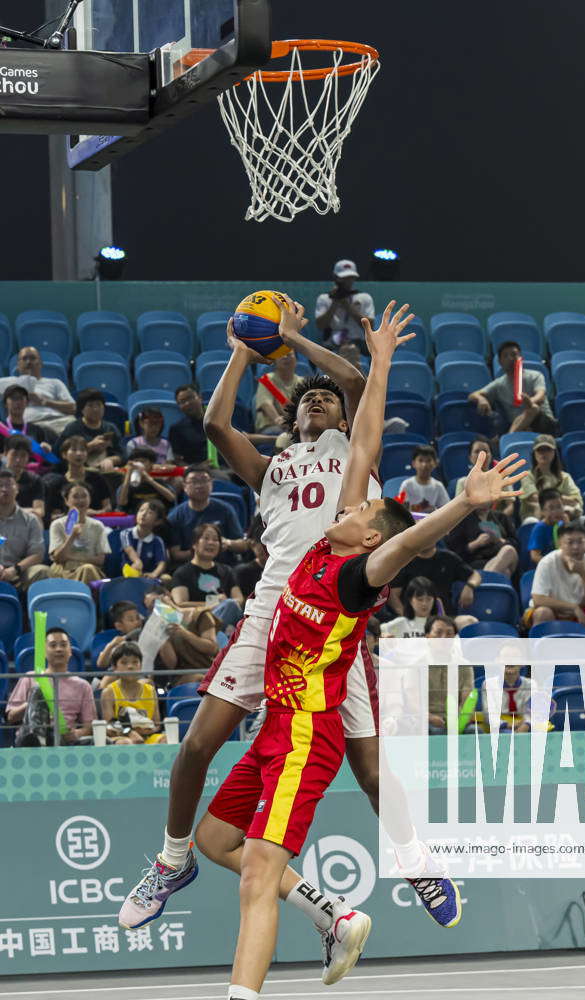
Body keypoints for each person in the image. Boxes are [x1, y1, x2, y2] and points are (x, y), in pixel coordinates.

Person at [118, 299, 461, 976]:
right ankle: (173, 857)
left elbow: (361, 386)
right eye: (310, 403)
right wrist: (246, 351)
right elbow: (216, 421)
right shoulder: (270, 467)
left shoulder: (353, 466)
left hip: (339, 613)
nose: (321, 406)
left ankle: (416, 860)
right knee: (196, 744)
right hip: (275, 605)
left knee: (367, 768)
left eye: (329, 403)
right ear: (291, 416)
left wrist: (294, 337)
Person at [193, 315, 524, 1000]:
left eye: (365, 503)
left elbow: (401, 533)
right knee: (213, 839)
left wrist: (461, 502)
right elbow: (350, 432)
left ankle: (413, 861)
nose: (354, 499)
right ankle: (331, 916)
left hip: (313, 707)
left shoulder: (354, 569)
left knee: (292, 839)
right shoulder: (316, 537)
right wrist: (374, 362)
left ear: (366, 528)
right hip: (277, 691)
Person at [7, 628, 95, 745]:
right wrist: (32, 704)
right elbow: (11, 716)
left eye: (63, 645)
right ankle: (38, 738)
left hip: (62, 739)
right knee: (38, 692)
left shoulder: (82, 686)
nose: (59, 649)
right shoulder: (29, 678)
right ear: (43, 651)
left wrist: (77, 733)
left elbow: (90, 725)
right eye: (53, 645)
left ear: (70, 651)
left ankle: (43, 740)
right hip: (29, 740)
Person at [529, 522, 585, 632]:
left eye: (580, 542)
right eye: (570, 542)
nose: (576, 547)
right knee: (542, 613)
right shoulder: (547, 563)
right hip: (555, 609)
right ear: (559, 544)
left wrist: (583, 573)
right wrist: (573, 607)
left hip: (583, 610)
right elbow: (538, 599)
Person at [28, 481, 109, 585]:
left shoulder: (98, 526)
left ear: (90, 499)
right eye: (75, 497)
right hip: (63, 571)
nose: (80, 500)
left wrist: (72, 558)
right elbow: (58, 558)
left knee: (87, 569)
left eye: (84, 496)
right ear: (66, 501)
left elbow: (100, 560)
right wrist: (72, 536)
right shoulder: (57, 525)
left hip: (90, 571)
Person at [468, 340, 558, 435]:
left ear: (520, 358)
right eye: (506, 356)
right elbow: (472, 395)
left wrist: (529, 402)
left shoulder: (535, 375)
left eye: (514, 354)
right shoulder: (499, 384)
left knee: (533, 408)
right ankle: (511, 437)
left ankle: (510, 437)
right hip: (519, 424)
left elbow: (541, 396)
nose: (510, 358)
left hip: (544, 423)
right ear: (500, 362)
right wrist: (481, 399)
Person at [170, 522, 245, 631]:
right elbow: (180, 604)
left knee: (232, 606)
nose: (211, 543)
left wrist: (224, 605)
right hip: (198, 621)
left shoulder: (226, 571)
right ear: (194, 544)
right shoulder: (182, 573)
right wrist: (214, 604)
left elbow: (238, 599)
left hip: (226, 617)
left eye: (215, 540)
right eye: (206, 538)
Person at [167, 466, 243, 565]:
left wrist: (228, 543)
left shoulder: (226, 509)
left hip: (224, 567)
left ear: (211, 483)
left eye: (204, 481)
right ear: (184, 486)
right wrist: (201, 550)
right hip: (190, 569)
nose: (199, 485)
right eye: (194, 481)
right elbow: (175, 554)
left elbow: (242, 545)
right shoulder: (175, 515)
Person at [388, 543, 481, 623]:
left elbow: (475, 575)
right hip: (413, 617)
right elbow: (393, 594)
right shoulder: (404, 561)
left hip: (444, 617)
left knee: (469, 621)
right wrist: (405, 615)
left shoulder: (448, 557)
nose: (426, 538)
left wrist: (469, 586)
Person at [101, 641, 166, 745]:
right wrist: (130, 733)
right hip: (121, 737)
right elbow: (109, 728)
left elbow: (157, 724)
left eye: (135, 662)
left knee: (165, 740)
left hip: (147, 735)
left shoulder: (150, 690)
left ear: (140, 666)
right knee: (125, 743)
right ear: (114, 667)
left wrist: (143, 732)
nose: (130, 666)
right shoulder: (108, 692)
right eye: (124, 662)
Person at [0, 346, 75, 433]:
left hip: (59, 421)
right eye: (24, 359)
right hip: (29, 426)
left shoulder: (55, 382)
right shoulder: (7, 382)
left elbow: (73, 408)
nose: (28, 362)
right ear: (18, 365)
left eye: (33, 358)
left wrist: (45, 402)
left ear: (40, 363)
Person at [41, 434, 112, 524]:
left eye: (82, 450)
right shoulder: (57, 483)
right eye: (74, 450)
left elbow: (108, 507)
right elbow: (54, 515)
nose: (79, 454)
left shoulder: (97, 478)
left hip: (95, 523)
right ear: (64, 455)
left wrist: (96, 513)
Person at [446, 496, 519, 578]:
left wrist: (500, 540)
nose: (483, 501)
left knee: (508, 550)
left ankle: (485, 583)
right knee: (505, 572)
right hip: (475, 562)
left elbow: (516, 545)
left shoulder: (502, 517)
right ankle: (487, 581)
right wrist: (476, 544)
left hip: (502, 556)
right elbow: (453, 552)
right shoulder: (462, 520)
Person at [55, 389, 125, 474]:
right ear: (82, 409)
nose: (95, 409)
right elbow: (59, 454)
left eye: (99, 405)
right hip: (80, 472)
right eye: (90, 405)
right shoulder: (72, 429)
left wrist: (110, 460)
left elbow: (122, 455)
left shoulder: (111, 428)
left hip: (108, 472)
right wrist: (89, 447)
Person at [518, 434, 583, 522]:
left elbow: (576, 500)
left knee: (582, 519)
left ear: (554, 453)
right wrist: (562, 500)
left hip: (563, 516)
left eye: (548, 450)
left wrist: (554, 504)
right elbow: (534, 498)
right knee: (531, 520)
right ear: (534, 454)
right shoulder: (527, 476)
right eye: (540, 450)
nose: (543, 454)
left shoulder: (565, 477)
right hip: (537, 517)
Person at [315, 258, 375, 349]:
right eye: (343, 278)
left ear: (355, 278)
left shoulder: (365, 297)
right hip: (333, 342)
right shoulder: (324, 299)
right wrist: (334, 303)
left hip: (358, 342)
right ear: (335, 278)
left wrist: (347, 306)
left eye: (350, 277)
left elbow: (370, 326)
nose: (347, 281)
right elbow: (320, 326)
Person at [0, 468, 45, 588]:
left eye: (9, 485)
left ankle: (34, 607)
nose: (4, 489)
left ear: (17, 489)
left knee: (42, 571)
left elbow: (37, 554)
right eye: (0, 485)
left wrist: (15, 570)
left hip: (18, 572)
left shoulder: (30, 520)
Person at [254, 350, 304, 433]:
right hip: (271, 426)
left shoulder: (302, 382)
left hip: (294, 425)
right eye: (281, 355)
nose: (285, 357)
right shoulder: (267, 380)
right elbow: (265, 404)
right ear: (274, 361)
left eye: (289, 354)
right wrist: (278, 420)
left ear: (296, 360)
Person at [116, 446, 177, 514]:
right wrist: (128, 475)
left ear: (151, 464)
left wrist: (150, 480)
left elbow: (172, 499)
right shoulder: (127, 485)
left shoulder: (159, 482)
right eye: (136, 461)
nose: (139, 464)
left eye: (143, 461)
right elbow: (122, 503)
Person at [1, 383, 59, 452]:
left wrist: (47, 450)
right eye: (14, 398)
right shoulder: (1, 428)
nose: (18, 402)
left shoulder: (37, 430)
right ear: (5, 403)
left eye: (21, 398)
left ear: (27, 403)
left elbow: (46, 455)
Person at [120, 499, 168, 579]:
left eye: (150, 513)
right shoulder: (126, 533)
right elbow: (129, 549)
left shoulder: (157, 541)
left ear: (157, 521)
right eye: (141, 510)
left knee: (166, 578)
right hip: (126, 575)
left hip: (147, 577)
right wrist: (137, 561)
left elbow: (161, 563)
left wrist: (154, 574)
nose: (143, 514)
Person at [2, 435, 44, 520]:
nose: (18, 460)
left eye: (23, 455)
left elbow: (39, 511)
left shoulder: (35, 480)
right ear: (5, 453)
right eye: (14, 454)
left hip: (25, 523)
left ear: (28, 457)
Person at [96, 601, 145, 672]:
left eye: (138, 618)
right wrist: (111, 645)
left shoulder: (145, 637)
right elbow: (101, 664)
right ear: (119, 626)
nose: (137, 622)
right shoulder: (119, 643)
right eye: (131, 620)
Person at [398, 445, 450, 513]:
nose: (424, 465)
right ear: (413, 463)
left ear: (435, 463)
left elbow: (446, 509)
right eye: (420, 460)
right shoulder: (406, 485)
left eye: (428, 460)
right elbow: (398, 506)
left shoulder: (438, 486)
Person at [170, 384, 209, 465]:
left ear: (200, 397)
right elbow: (177, 460)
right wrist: (197, 468)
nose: (187, 403)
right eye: (182, 401)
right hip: (198, 472)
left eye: (190, 398)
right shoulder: (177, 429)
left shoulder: (218, 419)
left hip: (230, 468)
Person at [528, 488, 567, 564]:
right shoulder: (540, 529)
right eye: (551, 508)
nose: (556, 511)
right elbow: (534, 556)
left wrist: (567, 526)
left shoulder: (563, 524)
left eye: (559, 506)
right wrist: (551, 565)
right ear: (542, 511)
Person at [234, 514, 268, 600]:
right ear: (252, 544)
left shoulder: (283, 569)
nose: (267, 549)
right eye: (263, 545)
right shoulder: (243, 571)